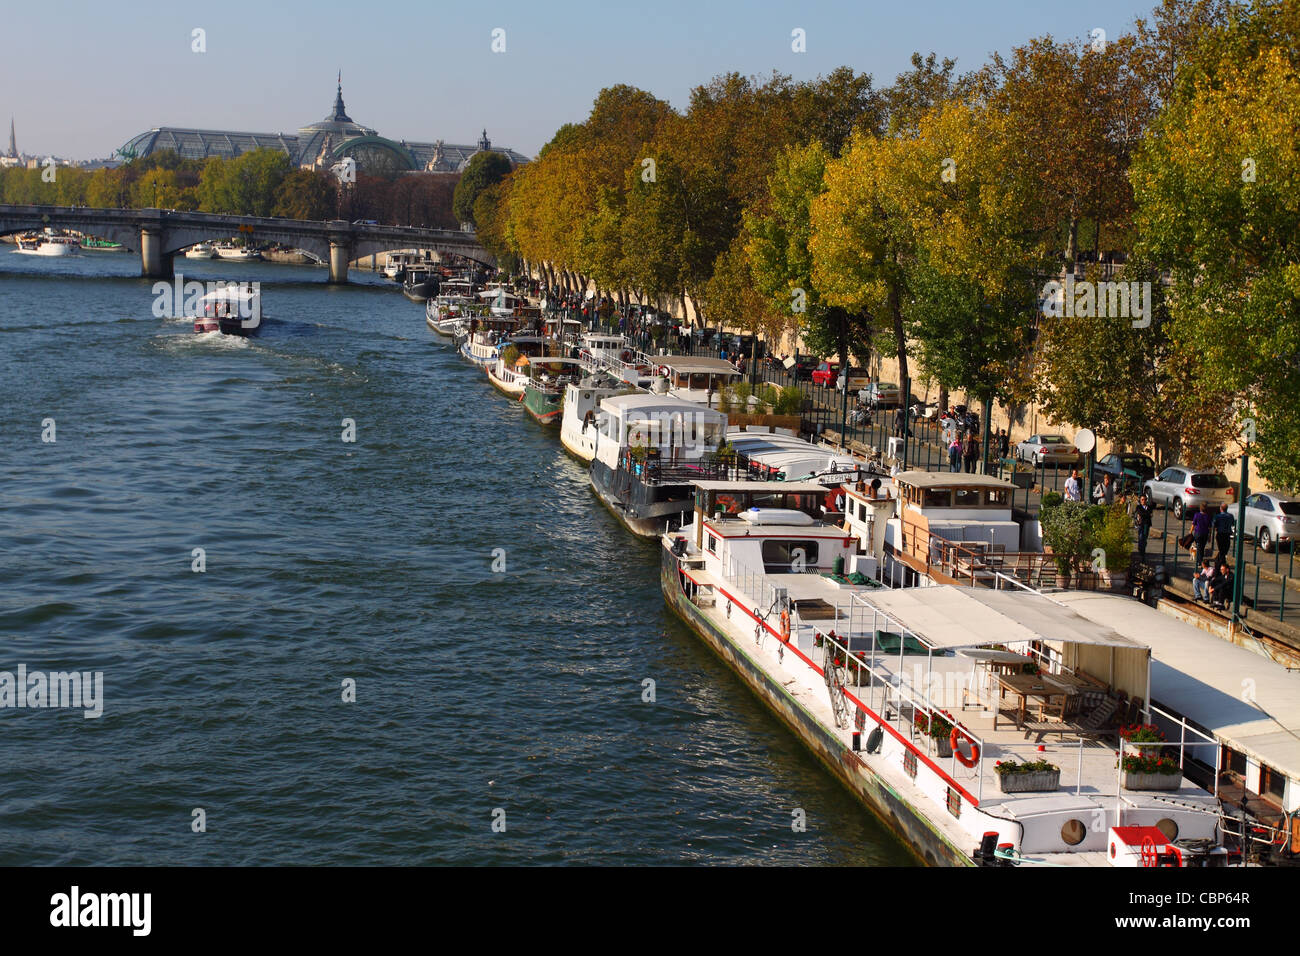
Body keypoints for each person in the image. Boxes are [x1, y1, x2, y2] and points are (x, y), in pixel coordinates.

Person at [1133, 493, 1154, 560]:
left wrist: (1146, 514)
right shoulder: (1138, 507)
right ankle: (1141, 551)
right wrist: (1146, 514)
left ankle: (1143, 550)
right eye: (1142, 500)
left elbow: (1149, 514)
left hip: (1147, 524)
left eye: (1144, 500)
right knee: (1141, 537)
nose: (1143, 501)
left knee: (1145, 537)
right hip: (1141, 524)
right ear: (1140, 500)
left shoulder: (1149, 507)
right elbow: (1141, 513)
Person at [1192, 503, 1212, 569]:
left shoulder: (1196, 515)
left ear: (1200, 508)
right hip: (1205, 534)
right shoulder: (1208, 516)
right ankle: (1201, 561)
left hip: (1198, 533)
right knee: (1202, 547)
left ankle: (1199, 562)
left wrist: (1190, 531)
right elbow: (1210, 527)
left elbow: (1193, 524)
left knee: (1199, 547)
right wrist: (1210, 536)